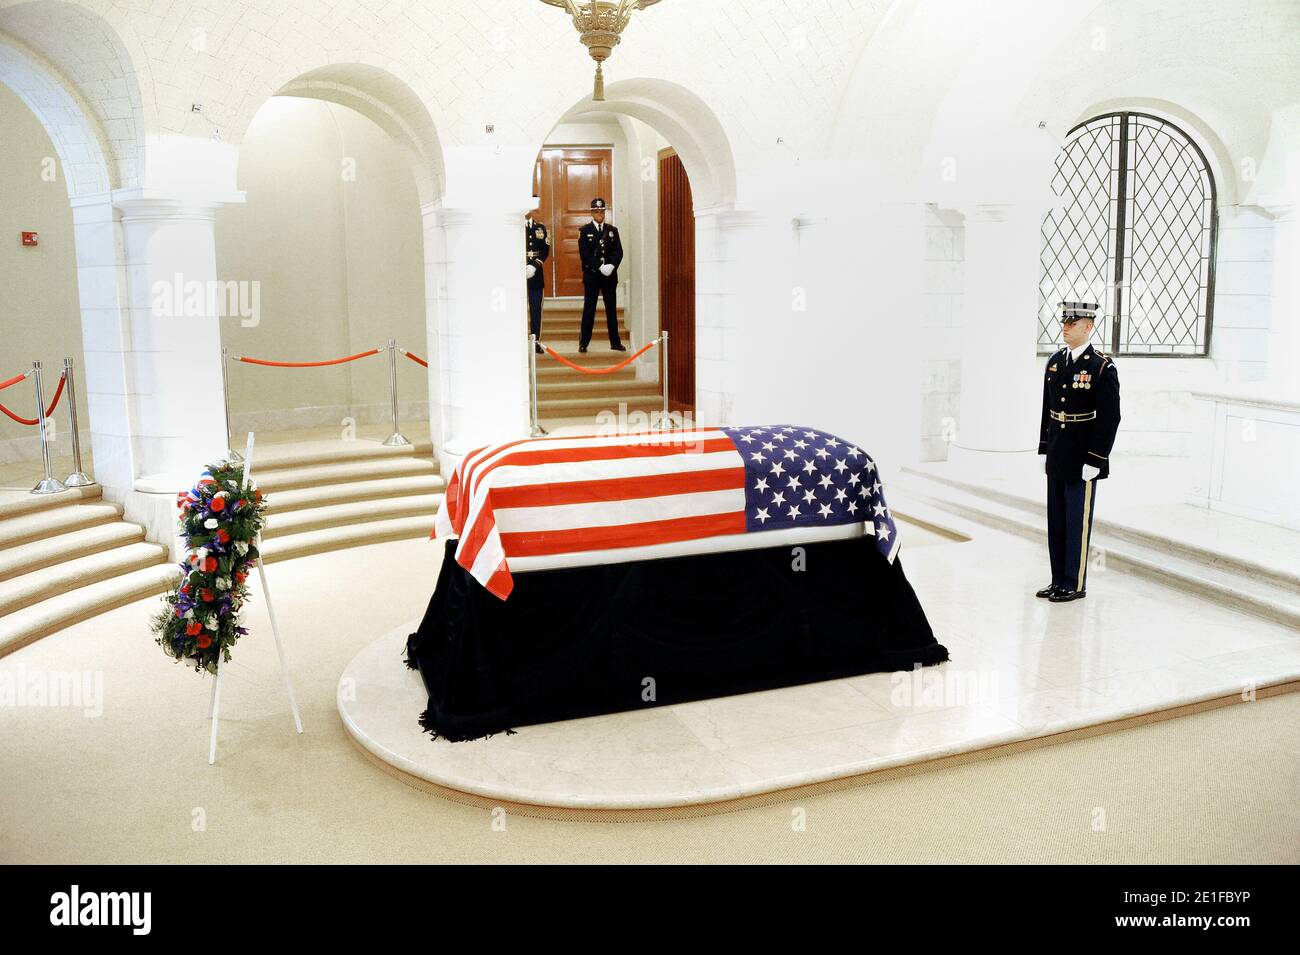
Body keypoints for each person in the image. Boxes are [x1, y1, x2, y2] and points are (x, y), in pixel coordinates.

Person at [1036, 301, 1121, 603]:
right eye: (1064, 321)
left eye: (1072, 322)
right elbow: (1048, 408)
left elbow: (1110, 417)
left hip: (1083, 456)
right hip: (1059, 452)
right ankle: (1057, 578)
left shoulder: (1101, 367)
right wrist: (1045, 448)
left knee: (1076, 522)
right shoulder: (1056, 361)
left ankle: (1074, 582)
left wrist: (1096, 459)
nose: (1065, 326)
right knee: (1056, 520)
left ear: (1088, 326)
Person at [577, 197, 626, 353]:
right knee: (589, 309)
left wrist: (612, 265)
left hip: (609, 276)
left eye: (602, 211)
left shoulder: (612, 231)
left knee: (611, 309)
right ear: (592, 213)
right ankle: (583, 343)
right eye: (596, 211)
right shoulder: (584, 231)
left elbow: (619, 251)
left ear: (605, 212)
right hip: (592, 275)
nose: (599, 214)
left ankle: (615, 342)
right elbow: (584, 254)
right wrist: (599, 266)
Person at [525, 210, 549, 355]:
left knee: (536, 309)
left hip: (535, 274)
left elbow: (545, 249)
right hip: (517, 274)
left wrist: (534, 265)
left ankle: (536, 342)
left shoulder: (540, 228)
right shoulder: (514, 225)